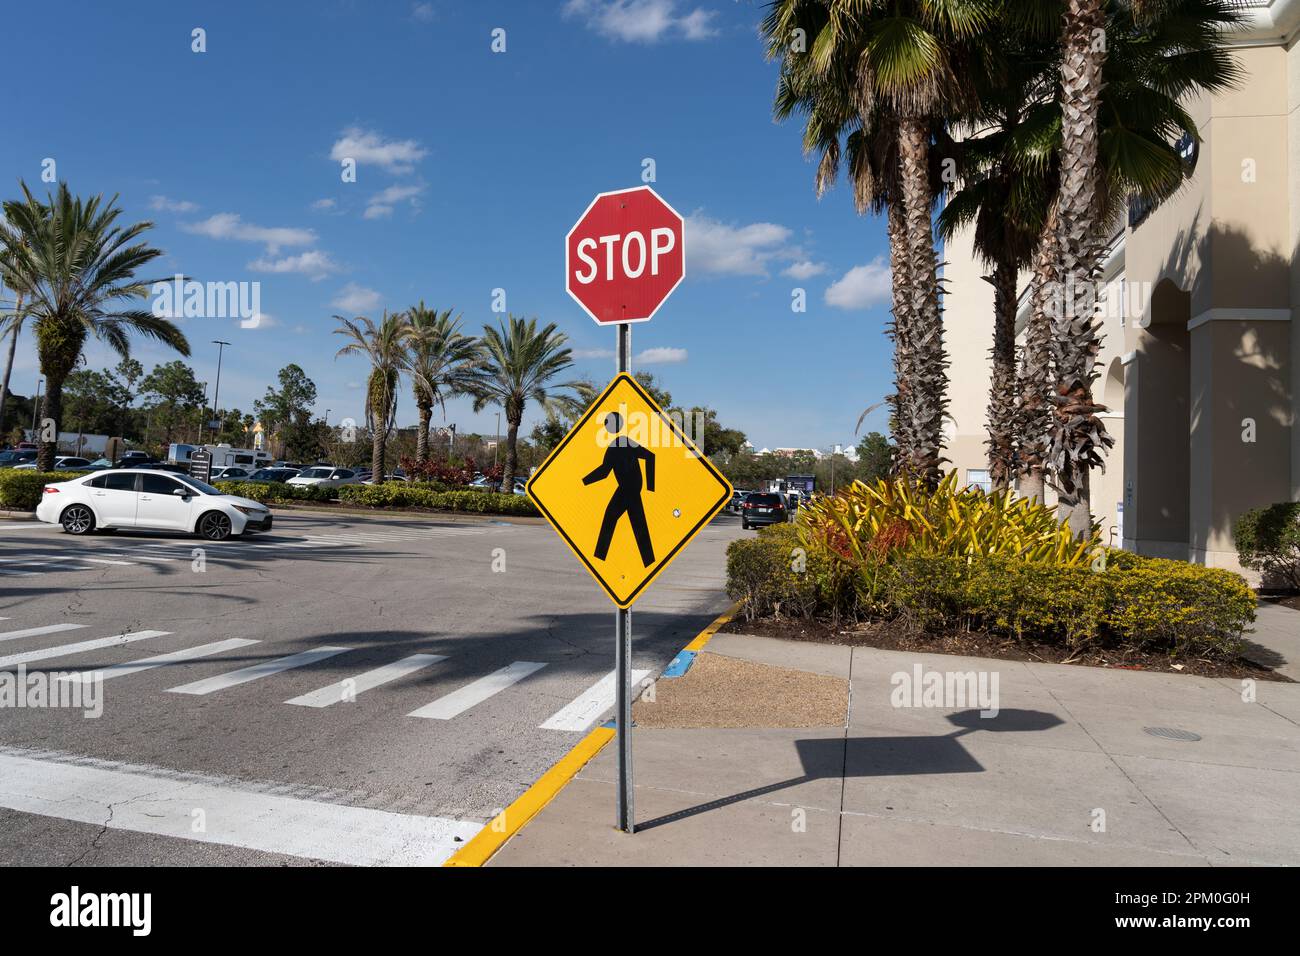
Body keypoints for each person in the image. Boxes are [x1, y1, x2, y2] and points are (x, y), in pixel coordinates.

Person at [583, 411, 655, 567]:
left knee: (612, 518)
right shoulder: (616, 445)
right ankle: (648, 560)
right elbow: (604, 472)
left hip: (629, 489)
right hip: (629, 488)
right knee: (637, 524)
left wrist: (651, 487)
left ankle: (600, 557)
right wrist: (584, 481)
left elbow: (651, 456)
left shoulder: (623, 442)